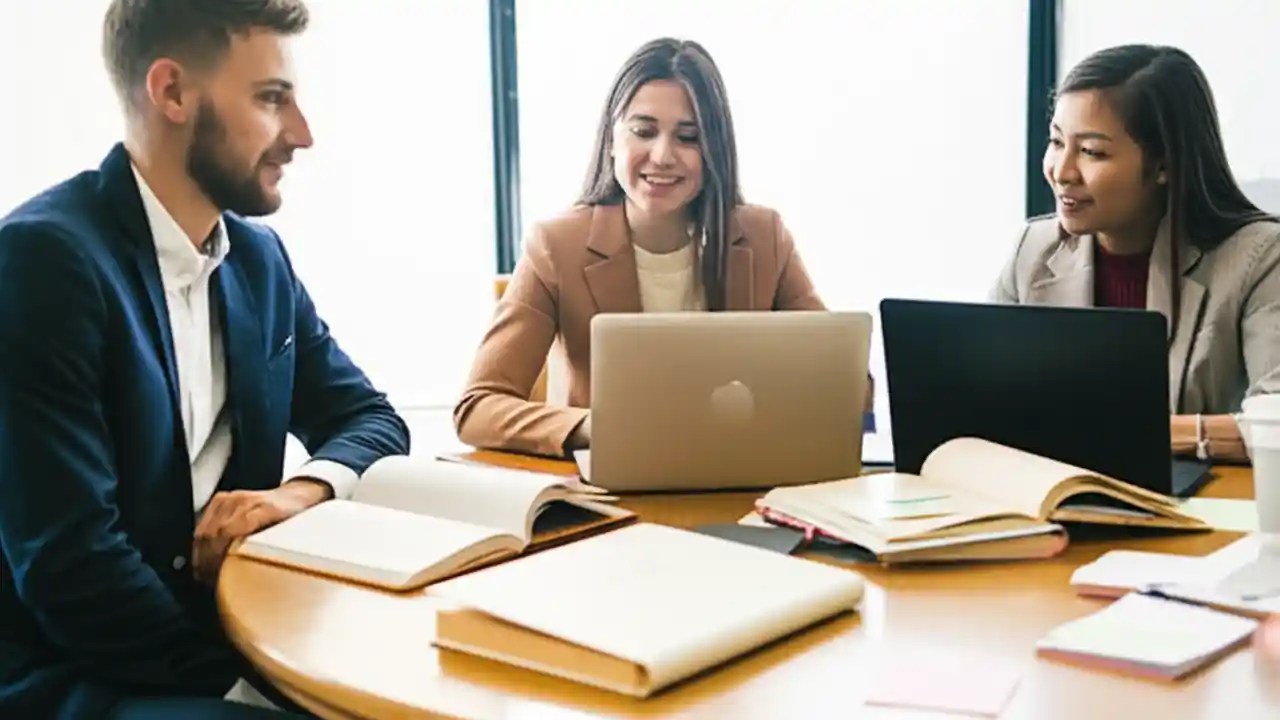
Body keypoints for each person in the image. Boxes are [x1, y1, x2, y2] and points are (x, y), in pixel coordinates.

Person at [0, 1, 410, 717]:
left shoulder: (259, 261)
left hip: (239, 629)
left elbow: (369, 419)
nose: (302, 135)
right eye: (272, 99)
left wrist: (295, 494)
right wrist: (257, 689)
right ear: (172, 92)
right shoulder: (42, 261)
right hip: (80, 672)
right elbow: (71, 570)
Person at [455, 37, 868, 457]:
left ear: (714, 151)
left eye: (688, 137)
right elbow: (478, 407)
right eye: (643, 131)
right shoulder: (556, 246)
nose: (663, 155)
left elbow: (847, 387)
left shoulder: (765, 238)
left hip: (740, 476)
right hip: (613, 489)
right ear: (612, 140)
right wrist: (593, 426)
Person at [991, 44, 1280, 464]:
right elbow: (989, 399)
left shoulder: (1259, 258)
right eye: (1056, 142)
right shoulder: (1033, 250)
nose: (1062, 171)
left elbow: (1275, 421)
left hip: (1209, 512)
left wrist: (1136, 429)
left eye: (1092, 151)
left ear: (1164, 163)